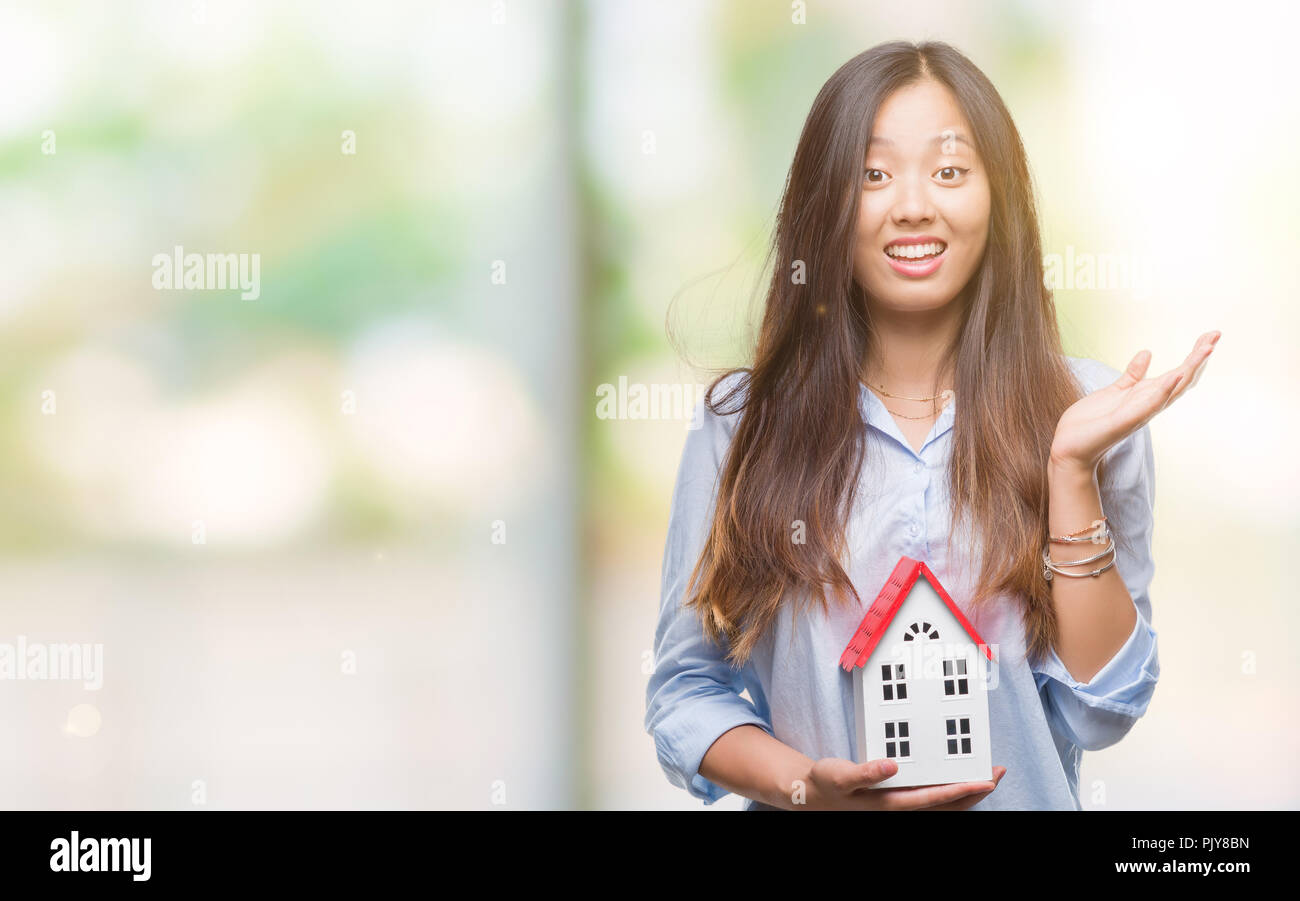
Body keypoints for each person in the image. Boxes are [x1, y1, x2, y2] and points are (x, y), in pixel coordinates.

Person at [643, 40, 1218, 811]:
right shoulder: (743, 425)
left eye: (949, 171)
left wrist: (1071, 469)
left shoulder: (1085, 412)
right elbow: (685, 691)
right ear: (825, 203)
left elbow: (1100, 709)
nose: (913, 204)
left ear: (998, 197)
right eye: (873, 174)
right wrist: (805, 787)